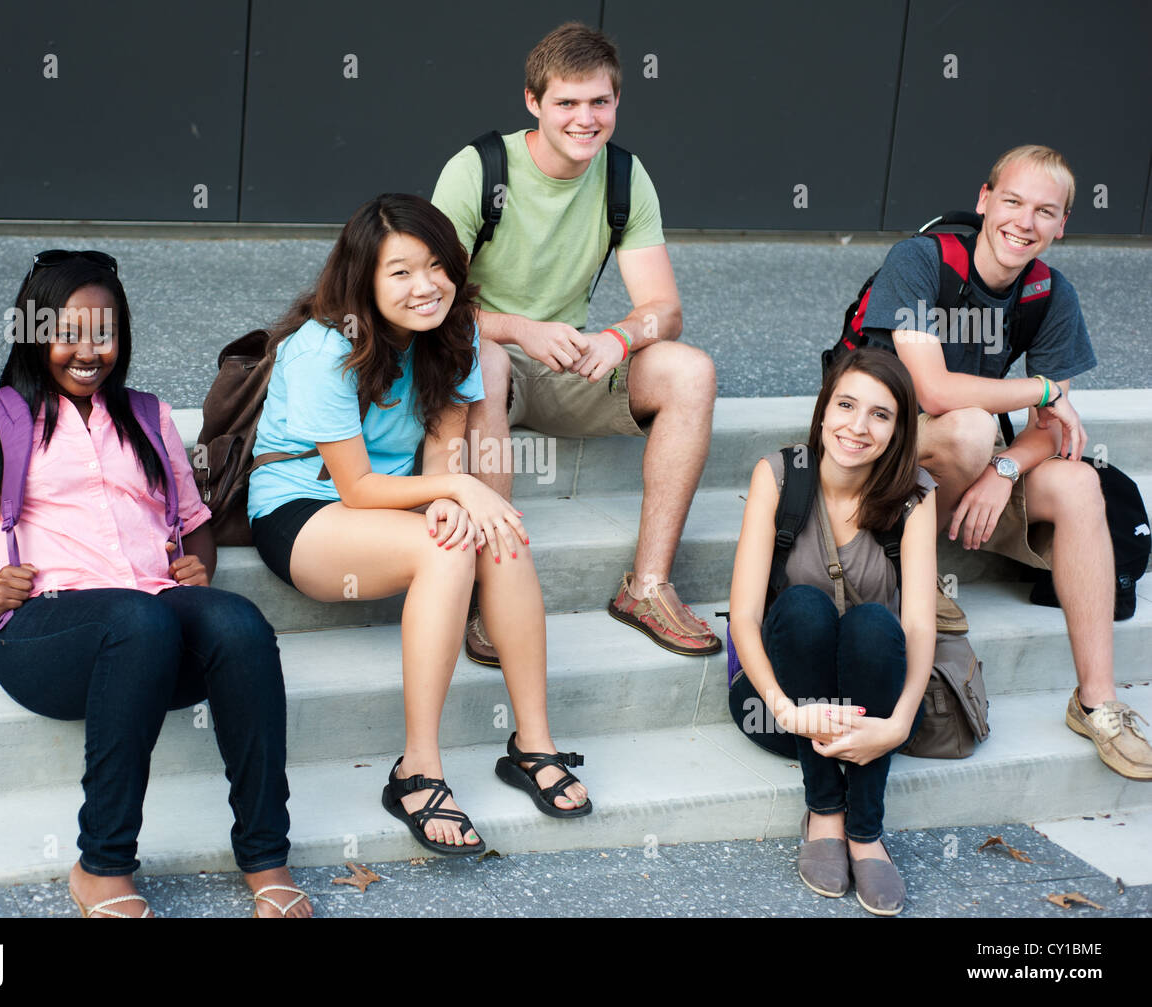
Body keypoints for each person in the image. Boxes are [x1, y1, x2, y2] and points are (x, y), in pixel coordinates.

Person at [0, 251, 312, 919]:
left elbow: (193, 521)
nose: (89, 351)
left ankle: (265, 853)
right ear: (34, 333)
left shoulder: (148, 419)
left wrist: (199, 563)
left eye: (106, 332)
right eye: (68, 332)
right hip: (44, 636)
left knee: (238, 622)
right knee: (138, 621)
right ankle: (102, 866)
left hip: (149, 631)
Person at [249, 193, 592, 857]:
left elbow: (440, 446)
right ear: (364, 281)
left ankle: (533, 742)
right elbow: (356, 484)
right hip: (305, 506)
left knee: (499, 532)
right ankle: (417, 769)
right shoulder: (324, 348)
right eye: (400, 272)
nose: (425, 285)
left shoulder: (452, 333)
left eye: (436, 265)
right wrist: (457, 489)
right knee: (450, 546)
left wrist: (446, 493)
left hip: (396, 497)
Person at [860, 145, 1152, 781]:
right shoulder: (923, 260)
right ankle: (902, 570)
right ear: (985, 199)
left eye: (1046, 211)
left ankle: (1097, 702)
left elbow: (1053, 434)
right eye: (1013, 202)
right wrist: (1042, 392)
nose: (1025, 221)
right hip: (873, 452)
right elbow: (933, 392)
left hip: (967, 458)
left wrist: (1006, 470)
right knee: (965, 429)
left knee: (1077, 482)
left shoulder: (1049, 291)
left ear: (1062, 226)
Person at [431, 21, 719, 661]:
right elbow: (428, 306)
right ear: (533, 103)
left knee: (690, 371)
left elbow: (664, 309)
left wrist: (619, 338)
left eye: (600, 102)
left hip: (564, 365)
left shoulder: (624, 175)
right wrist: (518, 328)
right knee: (493, 357)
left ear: (618, 102)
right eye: (566, 102)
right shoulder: (478, 169)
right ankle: (489, 593)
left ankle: (647, 587)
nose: (585, 119)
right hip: (474, 363)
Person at [727, 349, 936, 915]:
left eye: (880, 415)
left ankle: (866, 830)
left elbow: (919, 623)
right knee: (800, 607)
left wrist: (897, 724)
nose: (857, 427)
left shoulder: (915, 494)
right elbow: (744, 615)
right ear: (823, 411)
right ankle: (825, 811)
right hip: (785, 704)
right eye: (846, 405)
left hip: (879, 700)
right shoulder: (779, 476)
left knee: (873, 622)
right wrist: (785, 708)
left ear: (898, 430)